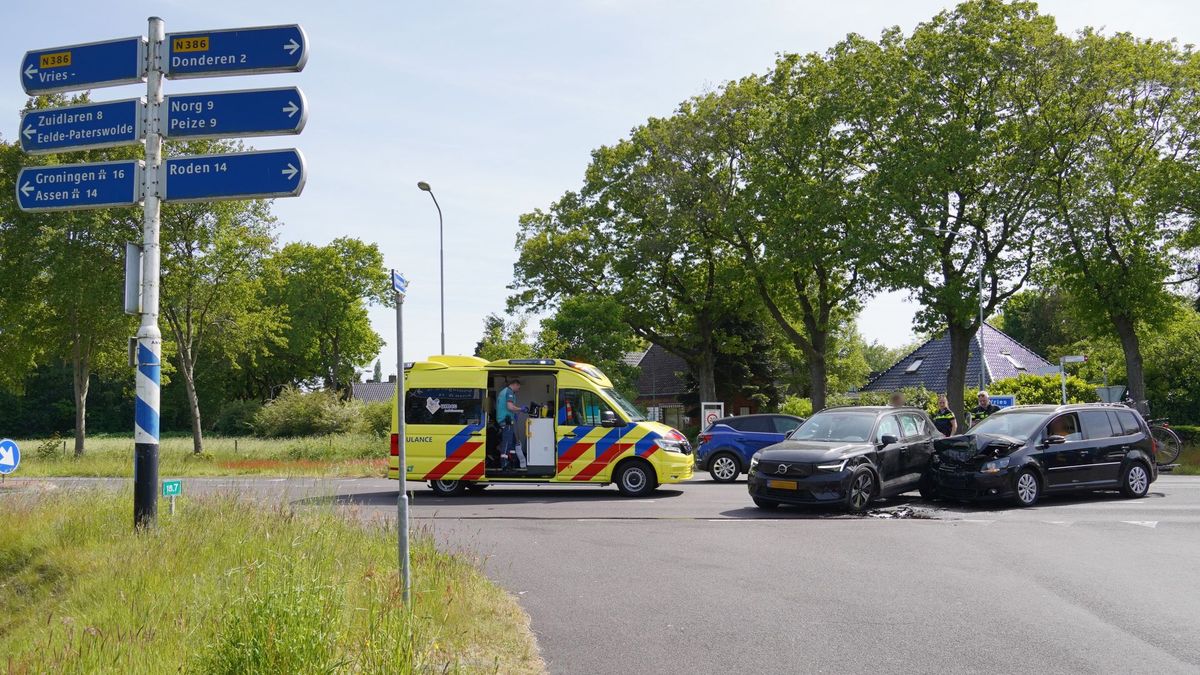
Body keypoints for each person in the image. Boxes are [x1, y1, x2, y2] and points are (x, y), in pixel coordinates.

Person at [496, 379, 526, 470]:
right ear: (515, 384)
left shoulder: (504, 391)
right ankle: (504, 464)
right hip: (506, 421)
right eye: (519, 387)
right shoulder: (509, 392)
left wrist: (515, 414)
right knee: (507, 443)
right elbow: (510, 407)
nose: (519, 389)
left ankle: (512, 462)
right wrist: (521, 409)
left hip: (507, 420)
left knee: (512, 443)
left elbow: (508, 408)